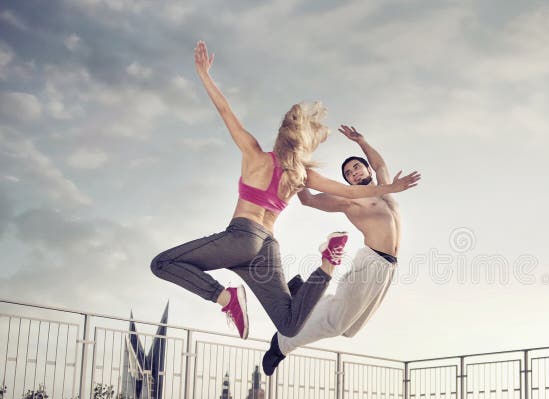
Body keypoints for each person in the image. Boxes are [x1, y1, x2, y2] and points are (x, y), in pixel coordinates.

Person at [150, 42, 420, 340]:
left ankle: (224, 298)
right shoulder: (302, 174)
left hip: (242, 236)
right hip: (266, 246)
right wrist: (392, 187)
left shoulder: (255, 154)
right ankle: (326, 267)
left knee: (162, 263)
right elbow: (350, 192)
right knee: (289, 324)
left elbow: (226, 112)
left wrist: (204, 75)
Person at [261, 125, 405, 375]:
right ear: (347, 181)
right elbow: (309, 201)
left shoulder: (385, 189)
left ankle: (301, 293)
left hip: (388, 267)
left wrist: (361, 141)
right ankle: (281, 345)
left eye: (357, 167)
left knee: (351, 328)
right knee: (336, 322)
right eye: (348, 173)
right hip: (371, 262)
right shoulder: (350, 200)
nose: (354, 173)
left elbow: (380, 164)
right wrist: (295, 172)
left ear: (366, 169)